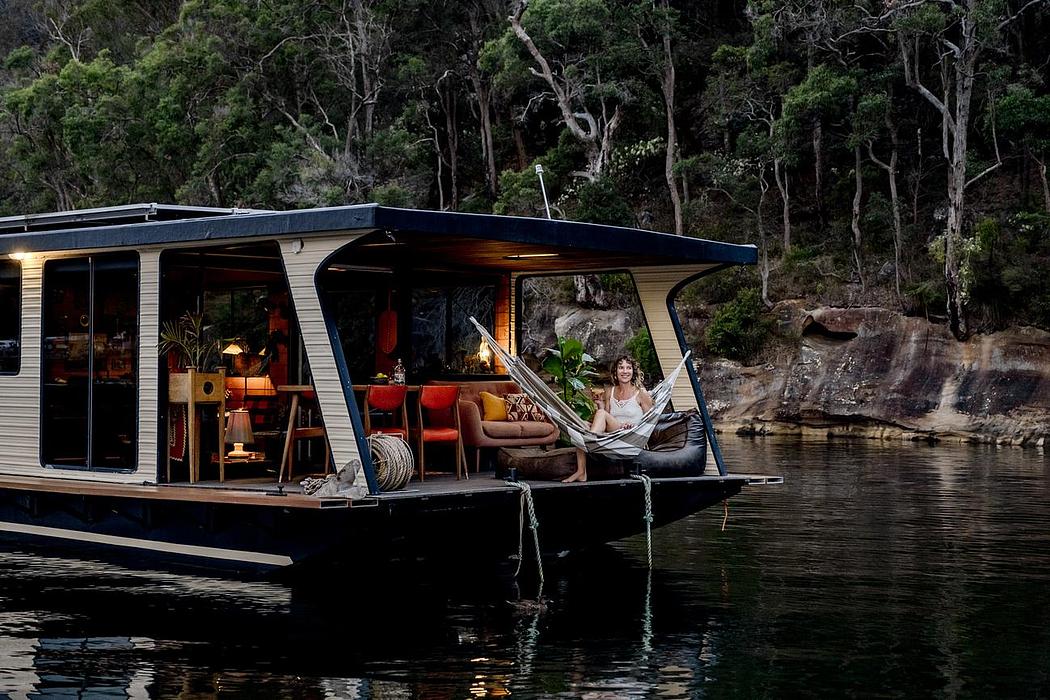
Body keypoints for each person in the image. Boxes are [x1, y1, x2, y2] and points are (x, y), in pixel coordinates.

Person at [562, 354, 653, 483]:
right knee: (581, 424)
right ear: (615, 372)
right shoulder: (610, 391)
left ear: (633, 371)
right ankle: (581, 471)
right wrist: (600, 404)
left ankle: (590, 441)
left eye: (628, 368)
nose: (625, 371)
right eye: (621, 367)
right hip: (612, 434)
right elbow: (606, 416)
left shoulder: (641, 393)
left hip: (631, 436)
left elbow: (650, 421)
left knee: (599, 416)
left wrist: (635, 427)